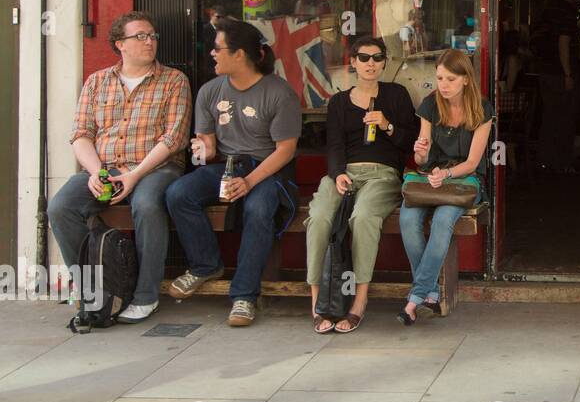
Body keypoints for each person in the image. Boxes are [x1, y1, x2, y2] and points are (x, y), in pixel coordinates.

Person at [48, 12, 191, 324]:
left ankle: (145, 296)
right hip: (104, 167)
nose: (149, 41)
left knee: (147, 205)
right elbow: (81, 134)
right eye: (140, 36)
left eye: (152, 36)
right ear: (120, 44)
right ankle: (94, 290)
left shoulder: (173, 80)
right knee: (60, 207)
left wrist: (135, 174)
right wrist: (96, 172)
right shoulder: (97, 81)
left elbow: (174, 138)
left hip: (156, 168)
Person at [165, 18, 302, 327]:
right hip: (226, 166)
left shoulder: (279, 93)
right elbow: (208, 147)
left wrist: (249, 182)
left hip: (267, 169)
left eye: (218, 48)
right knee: (178, 193)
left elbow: (285, 150)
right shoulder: (209, 91)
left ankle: (244, 295)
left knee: (258, 209)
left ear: (239, 54)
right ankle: (205, 265)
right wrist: (202, 150)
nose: (212, 54)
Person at [305, 37, 417, 334]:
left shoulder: (396, 95)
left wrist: (387, 126)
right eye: (364, 58)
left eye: (377, 58)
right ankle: (317, 302)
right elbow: (334, 145)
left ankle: (359, 299)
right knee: (319, 218)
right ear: (353, 62)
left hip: (382, 174)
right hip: (345, 173)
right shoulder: (339, 102)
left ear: (384, 62)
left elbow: (411, 142)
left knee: (364, 217)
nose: (370, 63)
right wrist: (337, 173)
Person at [398, 48, 494, 324]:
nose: (444, 85)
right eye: (440, 78)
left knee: (442, 221)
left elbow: (473, 162)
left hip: (463, 180)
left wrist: (447, 174)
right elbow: (422, 158)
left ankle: (416, 297)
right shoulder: (430, 104)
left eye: (451, 79)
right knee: (407, 219)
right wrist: (420, 153)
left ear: (466, 79)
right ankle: (429, 293)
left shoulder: (482, 109)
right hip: (431, 177)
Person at [533, 0, 580, 173]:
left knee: (549, 117)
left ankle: (544, 160)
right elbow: (564, 43)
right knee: (565, 118)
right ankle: (562, 163)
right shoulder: (567, 13)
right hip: (559, 74)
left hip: (544, 71)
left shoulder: (547, 11)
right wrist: (567, 74)